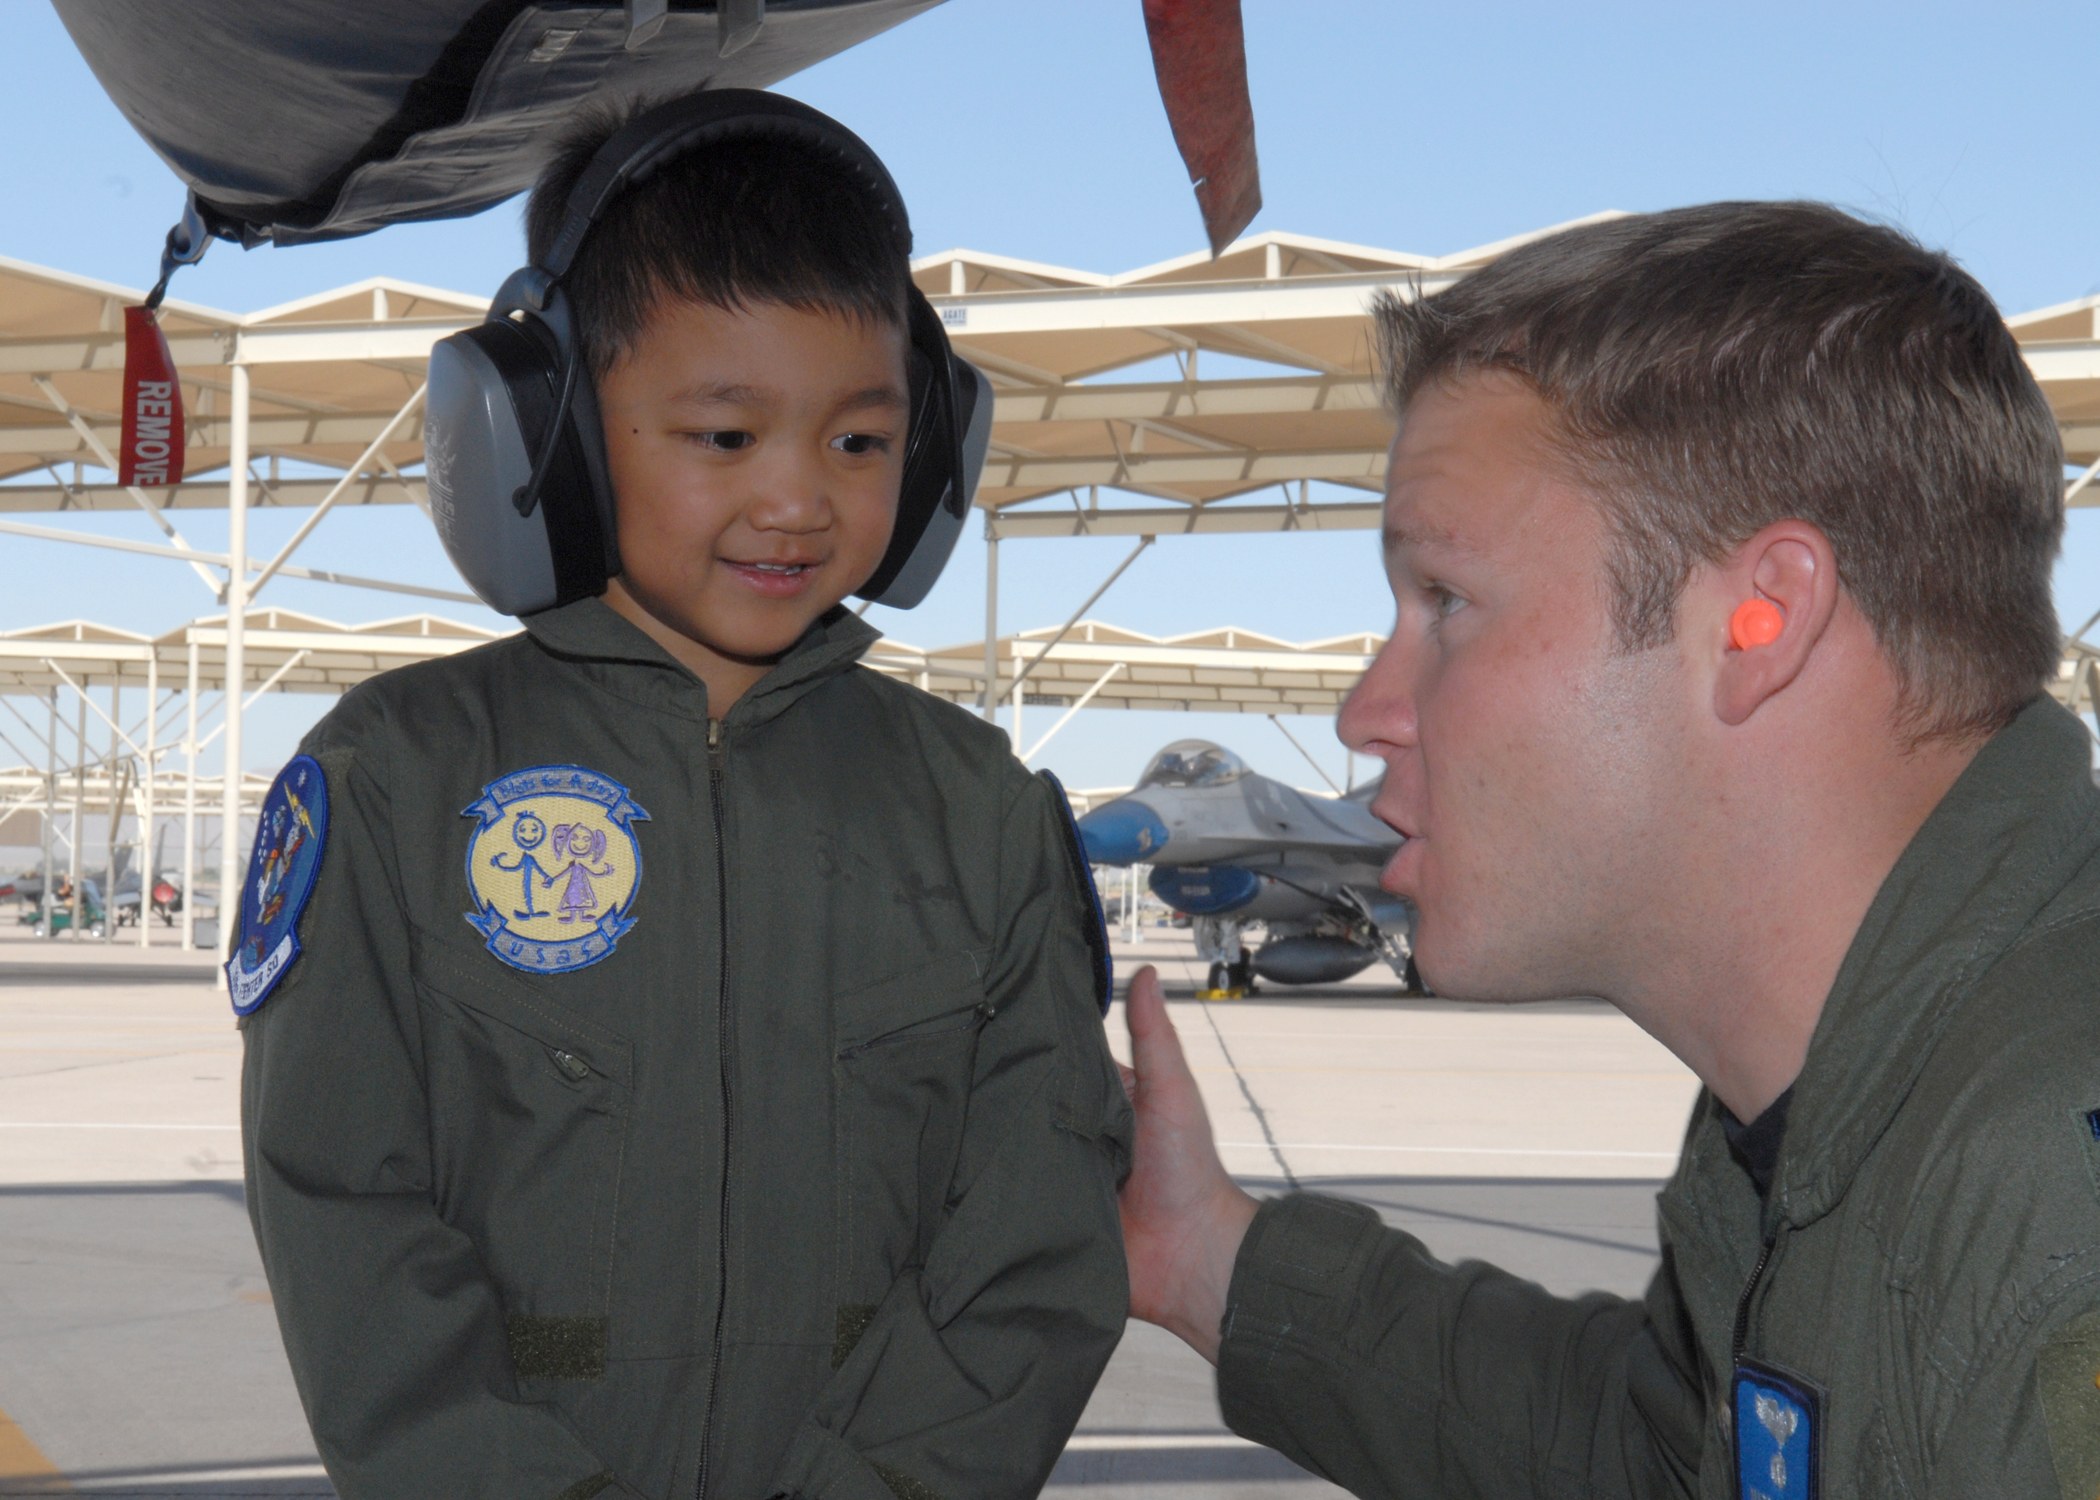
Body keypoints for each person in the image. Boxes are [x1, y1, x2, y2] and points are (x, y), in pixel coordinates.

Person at [1116, 202, 2100, 1499]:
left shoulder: (2044, 1219)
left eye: (1447, 602)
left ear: (1762, 622)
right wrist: (1207, 1259)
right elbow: (1667, 1458)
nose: (1366, 715)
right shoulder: (1849, 1118)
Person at [237, 94, 1131, 1500]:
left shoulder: (982, 814)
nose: (797, 500)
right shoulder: (395, 775)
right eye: (725, 436)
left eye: (858, 441)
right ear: (551, 430)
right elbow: (346, 1215)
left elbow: (1037, 1242)